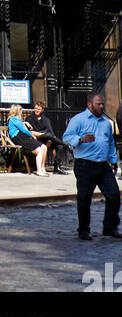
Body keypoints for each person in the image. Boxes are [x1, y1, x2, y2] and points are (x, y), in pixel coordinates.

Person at [63, 91, 121, 240]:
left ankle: (110, 227)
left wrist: (113, 160)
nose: (101, 107)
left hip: (103, 165)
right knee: (84, 198)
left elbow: (110, 143)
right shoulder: (78, 120)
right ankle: (83, 230)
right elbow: (67, 137)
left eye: (103, 104)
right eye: (98, 104)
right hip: (85, 165)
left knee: (114, 195)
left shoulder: (106, 123)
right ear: (90, 105)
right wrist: (81, 139)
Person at [26, 101, 66, 173]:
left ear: (42, 110)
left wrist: (50, 140)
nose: (37, 110)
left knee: (59, 146)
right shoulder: (29, 118)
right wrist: (41, 134)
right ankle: (65, 144)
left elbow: (50, 130)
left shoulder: (45, 119)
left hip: (47, 138)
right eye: (36, 108)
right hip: (36, 139)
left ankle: (57, 168)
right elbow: (30, 132)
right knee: (47, 135)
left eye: (39, 109)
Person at [7, 104, 48, 175]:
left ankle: (42, 168)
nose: (21, 112)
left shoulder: (16, 119)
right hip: (19, 137)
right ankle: (39, 171)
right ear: (17, 111)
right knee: (39, 150)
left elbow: (21, 126)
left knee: (44, 147)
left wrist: (24, 123)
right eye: (21, 111)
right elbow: (24, 130)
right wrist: (32, 135)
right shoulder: (14, 119)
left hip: (22, 137)